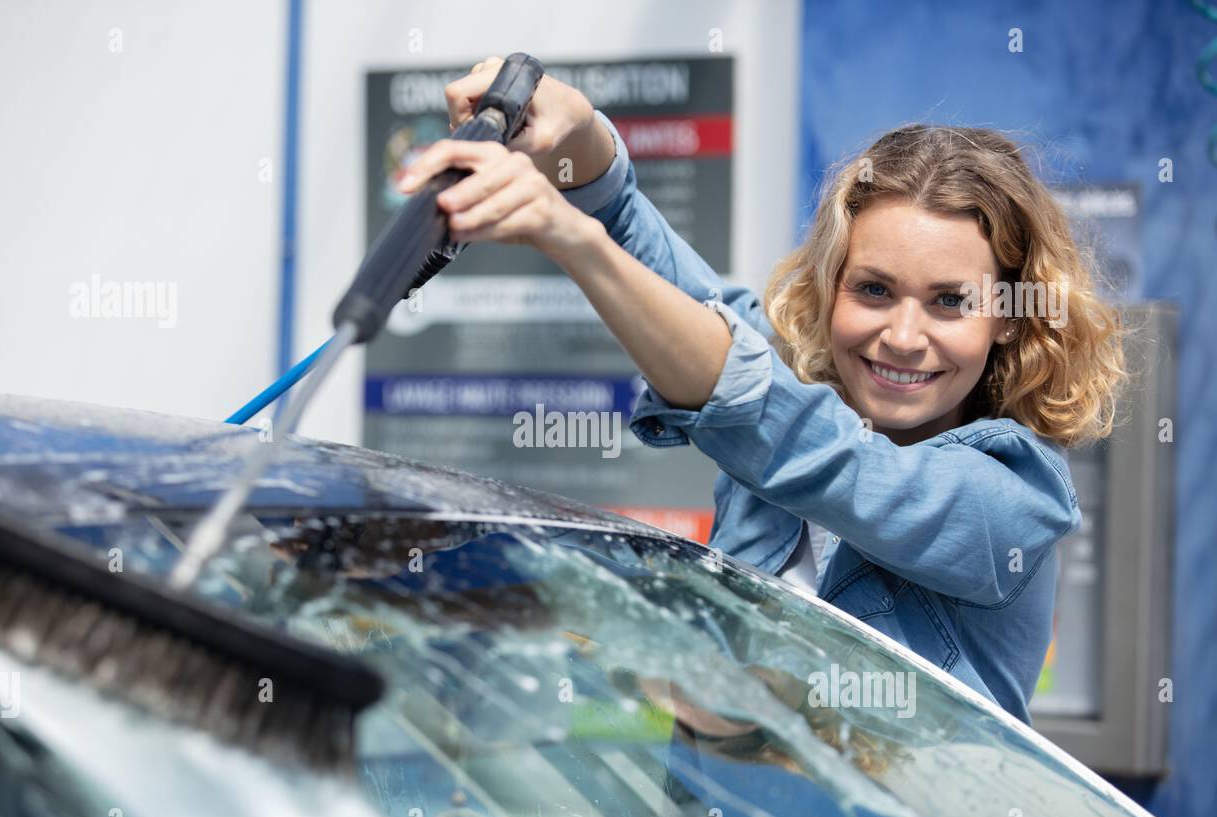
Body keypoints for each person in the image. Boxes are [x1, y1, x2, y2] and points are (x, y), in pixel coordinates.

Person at [398, 57, 1128, 725]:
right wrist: (577, 131)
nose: (904, 336)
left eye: (950, 302)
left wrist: (569, 240)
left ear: (1007, 317)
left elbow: (811, 449)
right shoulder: (805, 385)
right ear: (831, 287)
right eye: (873, 289)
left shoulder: (1015, 501)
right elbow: (643, 244)